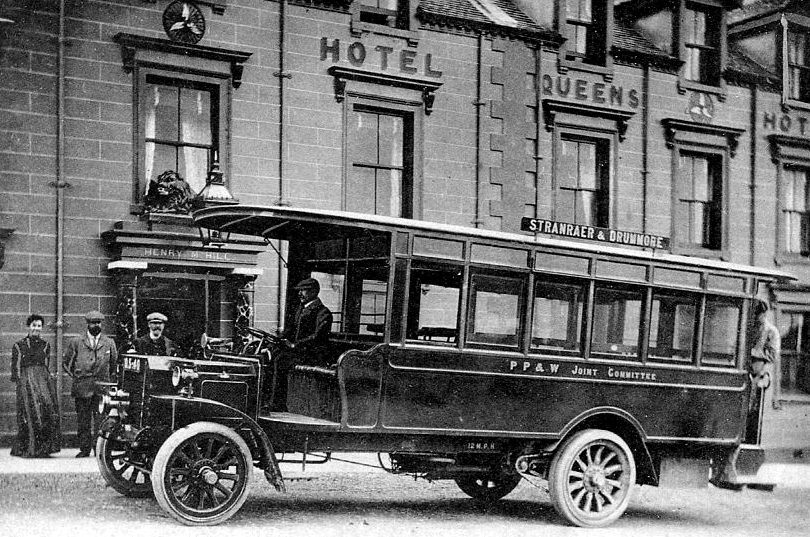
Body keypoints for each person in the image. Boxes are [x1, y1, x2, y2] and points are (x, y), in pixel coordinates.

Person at [270, 277, 333, 411]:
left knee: (281, 360)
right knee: (270, 355)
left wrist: (295, 345)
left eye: (303, 290)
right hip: (299, 352)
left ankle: (278, 404)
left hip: (312, 354)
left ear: (314, 292)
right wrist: (278, 339)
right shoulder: (301, 309)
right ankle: (267, 399)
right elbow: (291, 330)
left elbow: (317, 337)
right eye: (299, 290)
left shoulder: (323, 312)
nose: (300, 293)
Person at [63, 310, 118, 457]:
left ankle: (98, 449)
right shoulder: (76, 342)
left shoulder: (109, 343)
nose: (96, 325)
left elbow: (114, 365)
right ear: (87, 324)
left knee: (101, 420)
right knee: (83, 420)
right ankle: (84, 449)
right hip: (82, 387)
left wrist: (105, 379)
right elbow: (66, 363)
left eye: (98, 323)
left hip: (101, 388)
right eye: (93, 323)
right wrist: (77, 376)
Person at [10, 314, 61, 458]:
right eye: (34, 325)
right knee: (30, 413)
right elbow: (16, 368)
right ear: (28, 327)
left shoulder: (45, 345)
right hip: (26, 383)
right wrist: (21, 386)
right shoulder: (19, 345)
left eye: (39, 326)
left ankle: (44, 448)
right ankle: (29, 447)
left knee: (47, 410)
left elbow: (46, 365)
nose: (36, 329)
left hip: (43, 382)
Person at [745, 299, 781, 442]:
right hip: (745, 375)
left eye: (758, 315)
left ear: (764, 314)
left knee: (754, 414)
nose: (756, 318)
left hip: (759, 377)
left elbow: (772, 355)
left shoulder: (771, 331)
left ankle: (751, 443)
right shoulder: (749, 327)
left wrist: (752, 352)